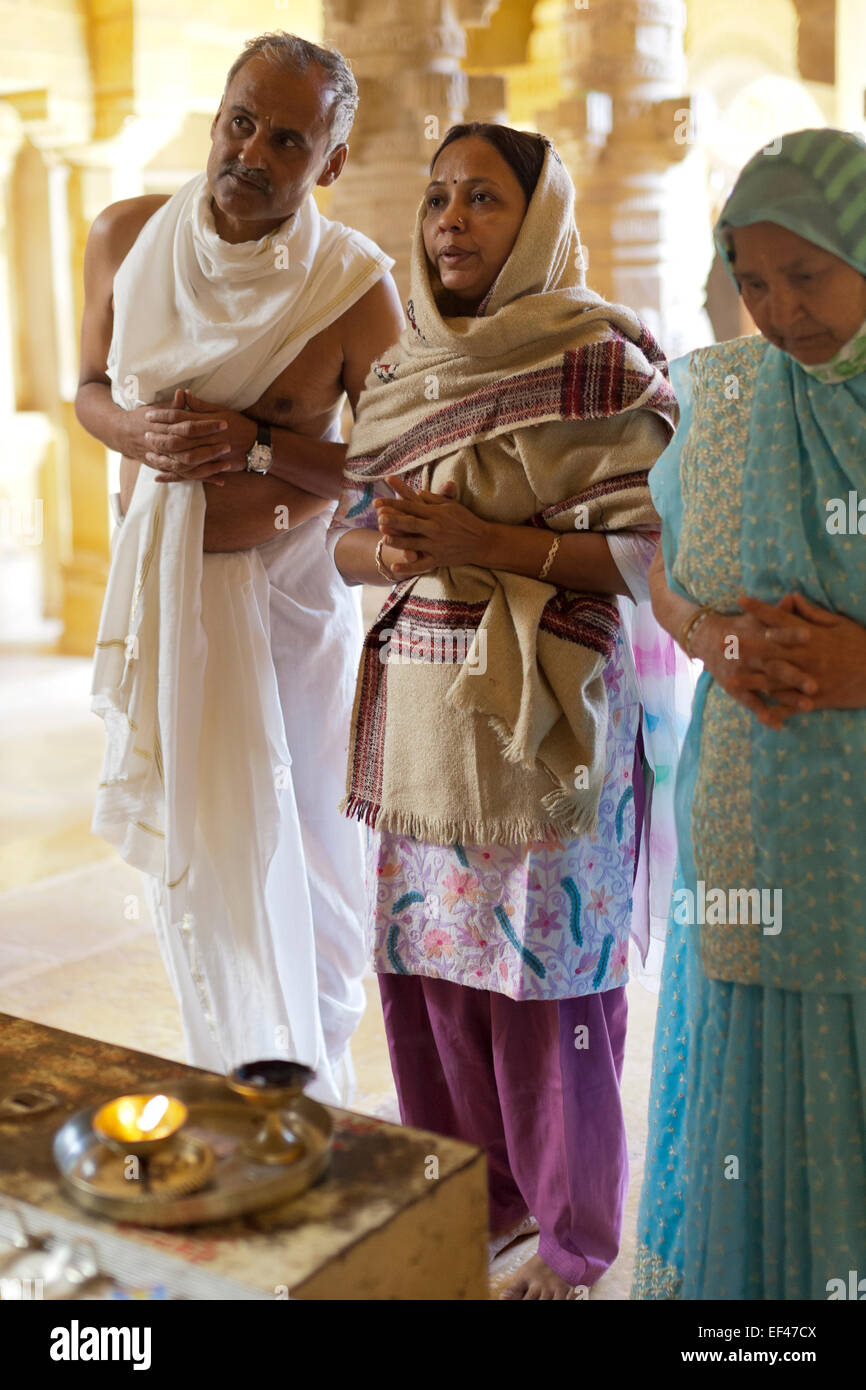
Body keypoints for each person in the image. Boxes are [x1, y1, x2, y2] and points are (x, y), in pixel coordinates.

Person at [329, 123, 682, 1297]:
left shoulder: (603, 361)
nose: (448, 223)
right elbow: (342, 549)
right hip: (422, 718)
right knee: (431, 983)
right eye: (436, 198)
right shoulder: (400, 372)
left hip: (547, 724)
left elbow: (647, 556)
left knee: (550, 991)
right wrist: (393, 546)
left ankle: (572, 1243)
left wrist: (487, 544)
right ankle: (472, 1204)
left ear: (535, 219)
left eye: (481, 199)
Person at [77, 33, 405, 1105]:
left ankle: (316, 1097)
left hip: (288, 602)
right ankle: (233, 1080)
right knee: (200, 859)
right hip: (167, 599)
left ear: (332, 161)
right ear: (218, 115)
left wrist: (254, 443)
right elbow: (86, 388)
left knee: (301, 849)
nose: (252, 151)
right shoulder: (126, 235)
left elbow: (393, 462)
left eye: (288, 139)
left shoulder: (354, 287)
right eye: (240, 122)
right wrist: (137, 433)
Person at [633, 127, 866, 1299]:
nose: (779, 313)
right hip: (751, 821)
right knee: (753, 1094)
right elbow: (666, 579)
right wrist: (711, 636)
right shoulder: (723, 398)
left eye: (807, 276)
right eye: (754, 282)